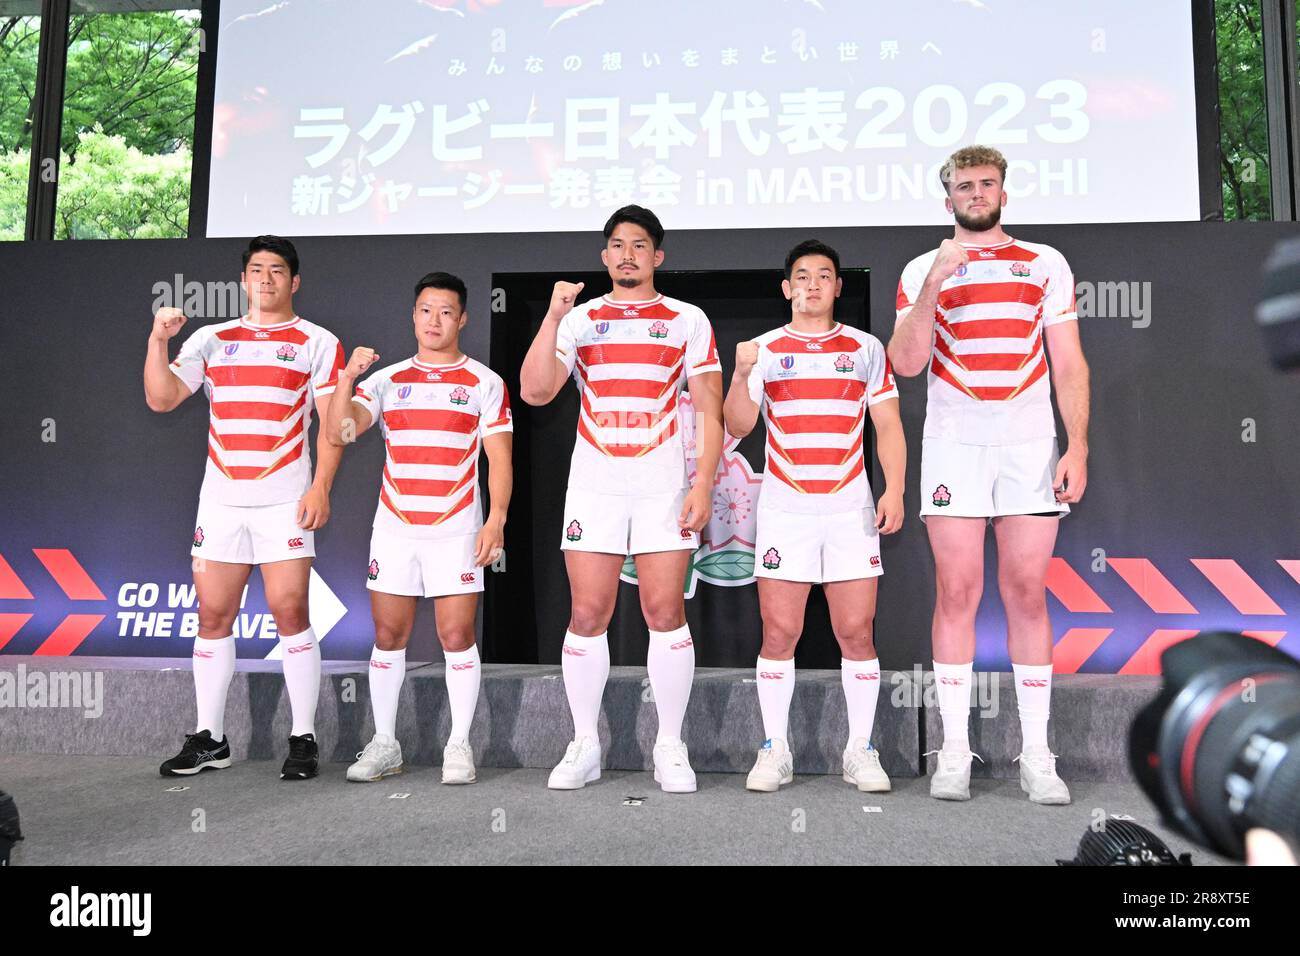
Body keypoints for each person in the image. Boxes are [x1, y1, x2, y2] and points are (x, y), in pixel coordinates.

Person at [889, 146, 1090, 804]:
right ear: (946, 198)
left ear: (1003, 191)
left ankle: (1037, 753)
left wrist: (1077, 446)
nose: (977, 192)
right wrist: (935, 283)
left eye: (987, 183)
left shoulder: (1044, 263)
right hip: (953, 442)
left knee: (1028, 591)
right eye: (964, 185)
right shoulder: (924, 267)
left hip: (1030, 442)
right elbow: (907, 362)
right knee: (957, 591)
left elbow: (1069, 365)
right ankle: (953, 751)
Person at [518, 205, 723, 793]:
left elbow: (708, 406)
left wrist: (703, 481)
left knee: (665, 612)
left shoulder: (687, 319)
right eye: (616, 245)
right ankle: (585, 744)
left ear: (657, 256)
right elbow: (535, 390)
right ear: (605, 257)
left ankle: (670, 745)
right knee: (587, 615)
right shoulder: (579, 320)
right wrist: (555, 314)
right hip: (596, 484)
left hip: (662, 484)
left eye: (639, 245)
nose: (627, 253)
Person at [145, 235, 345, 780]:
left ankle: (303, 737)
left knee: (290, 613)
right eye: (256, 269)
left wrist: (321, 486)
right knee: (213, 616)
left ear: (294, 281)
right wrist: (158, 340)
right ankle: (210, 737)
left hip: (285, 500)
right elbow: (162, 398)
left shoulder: (317, 341)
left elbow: (333, 425)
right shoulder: (212, 339)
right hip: (221, 504)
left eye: (277, 270)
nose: (265, 278)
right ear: (242, 279)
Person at [723, 240, 905, 793]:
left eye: (823, 276)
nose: (811, 285)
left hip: (850, 507)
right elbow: (737, 426)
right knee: (780, 631)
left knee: (855, 630)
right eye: (801, 276)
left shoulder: (867, 348)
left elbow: (889, 426)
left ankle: (861, 749)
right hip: (786, 508)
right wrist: (738, 375)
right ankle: (774, 748)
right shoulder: (764, 350)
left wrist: (894, 487)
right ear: (786, 288)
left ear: (837, 287)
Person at [323, 272, 512, 785]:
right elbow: (340, 432)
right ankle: (386, 743)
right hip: (395, 528)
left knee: (456, 636)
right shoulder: (386, 381)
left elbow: (499, 458)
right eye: (426, 309)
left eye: (446, 311)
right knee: (388, 636)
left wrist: (495, 520)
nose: (435, 320)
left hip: (456, 529)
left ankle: (459, 745)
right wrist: (346, 379)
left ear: (463, 319)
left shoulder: (485, 382)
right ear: (413, 315)